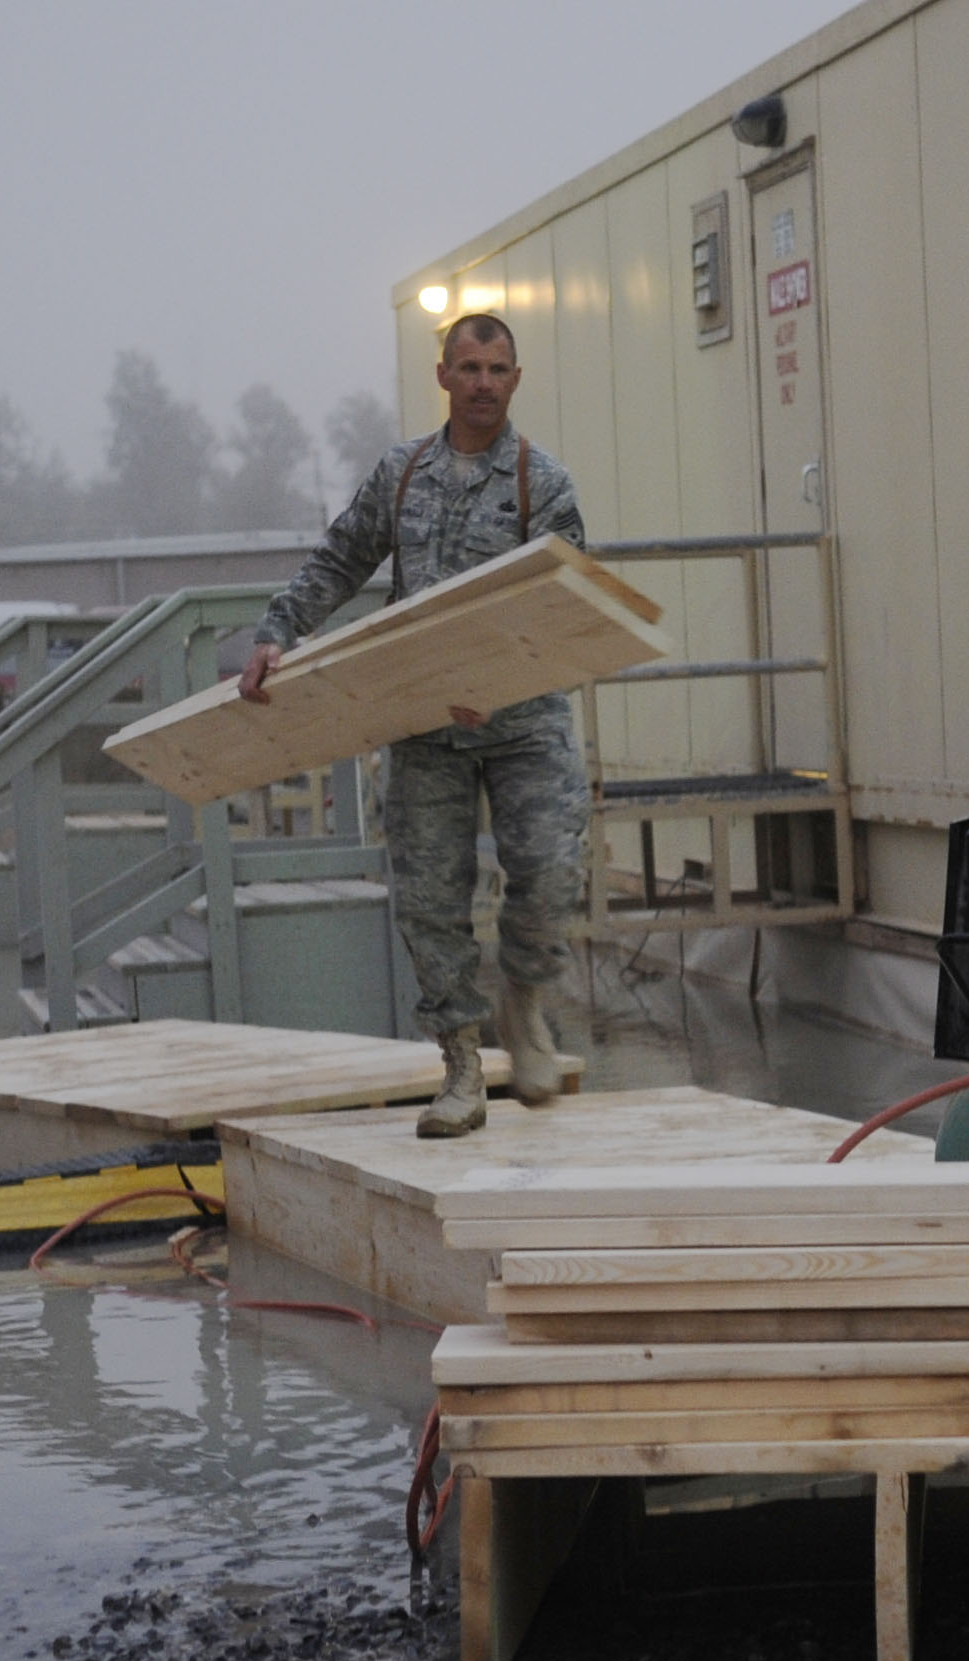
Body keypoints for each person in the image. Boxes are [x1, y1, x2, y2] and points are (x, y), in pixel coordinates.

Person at [241, 312, 588, 1139]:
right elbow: (338, 559)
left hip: (523, 721)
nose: (481, 383)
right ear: (442, 376)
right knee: (431, 901)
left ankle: (526, 1003)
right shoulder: (402, 476)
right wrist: (275, 633)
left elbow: (562, 615)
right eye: (467, 367)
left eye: (497, 369)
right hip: (425, 723)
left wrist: (495, 682)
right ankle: (462, 1069)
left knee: (550, 869)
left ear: (515, 378)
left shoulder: (547, 486)